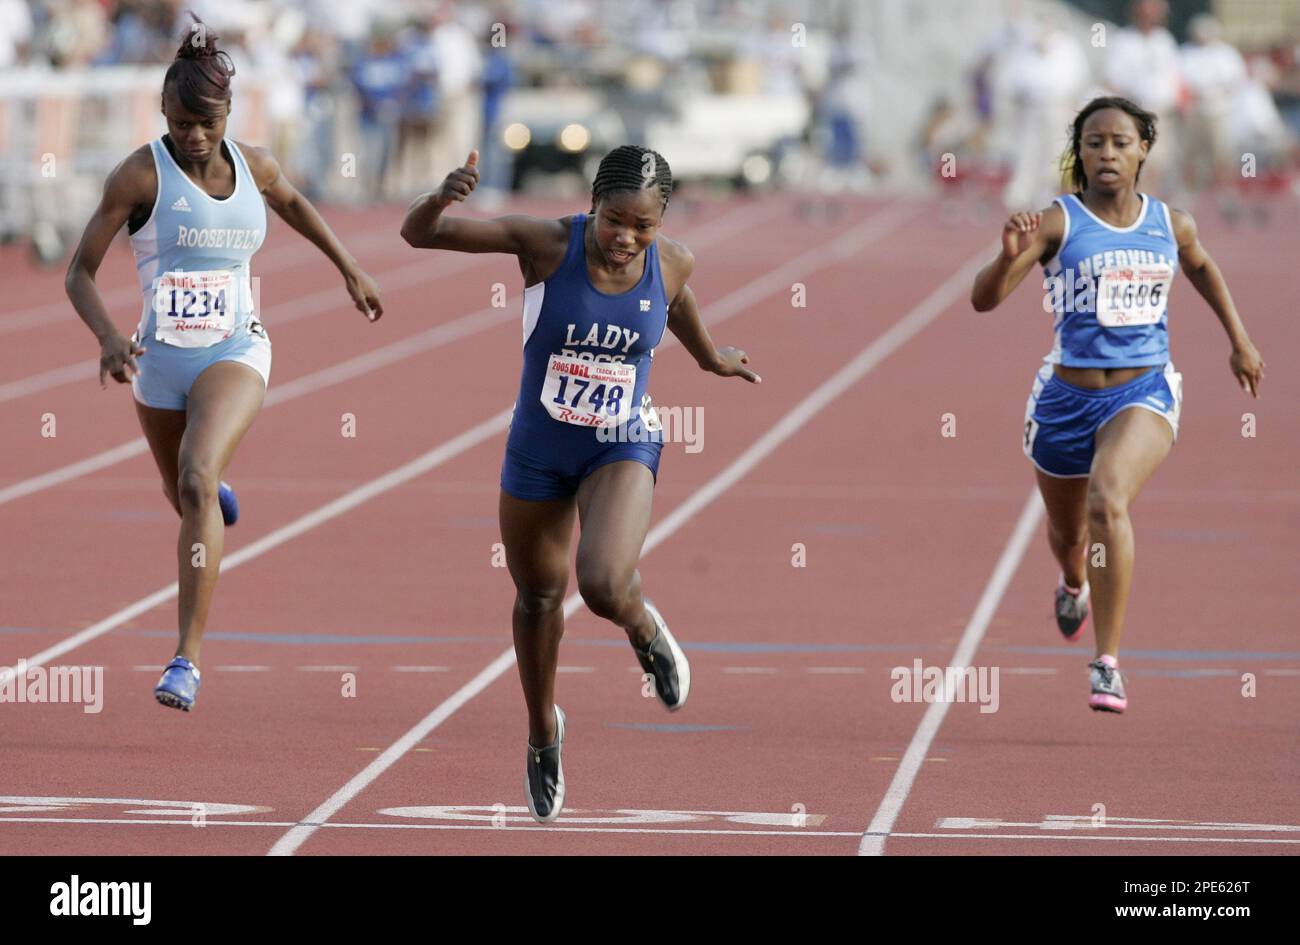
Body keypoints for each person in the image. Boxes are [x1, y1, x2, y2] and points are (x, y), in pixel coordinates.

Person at [401, 144, 759, 820]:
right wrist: (443, 196)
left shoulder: (672, 259)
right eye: (615, 220)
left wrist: (712, 359)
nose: (627, 238)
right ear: (592, 204)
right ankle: (544, 732)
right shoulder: (543, 243)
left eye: (643, 226)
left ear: (661, 224)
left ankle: (643, 626)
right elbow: (420, 233)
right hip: (539, 446)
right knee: (537, 597)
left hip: (620, 441)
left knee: (600, 583)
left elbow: (673, 301)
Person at [64, 20, 383, 712]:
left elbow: (294, 201)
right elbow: (79, 273)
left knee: (197, 479)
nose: (194, 137)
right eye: (181, 123)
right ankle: (210, 493)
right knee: (185, 493)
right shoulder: (141, 173)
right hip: (158, 363)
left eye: (205, 123)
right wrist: (110, 337)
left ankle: (187, 658)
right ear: (164, 116)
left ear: (228, 114)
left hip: (236, 347)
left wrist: (349, 268)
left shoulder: (256, 166)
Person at [970, 96, 1264, 713]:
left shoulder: (1170, 222)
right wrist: (1005, 255)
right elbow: (984, 302)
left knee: (1108, 500)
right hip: (1065, 400)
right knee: (1068, 532)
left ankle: (1107, 662)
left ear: (1143, 152)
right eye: (1095, 143)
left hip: (1144, 391)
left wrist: (1239, 340)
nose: (1107, 154)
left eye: (1121, 143)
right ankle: (1073, 580)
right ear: (1079, 152)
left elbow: (1203, 266)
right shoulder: (1058, 222)